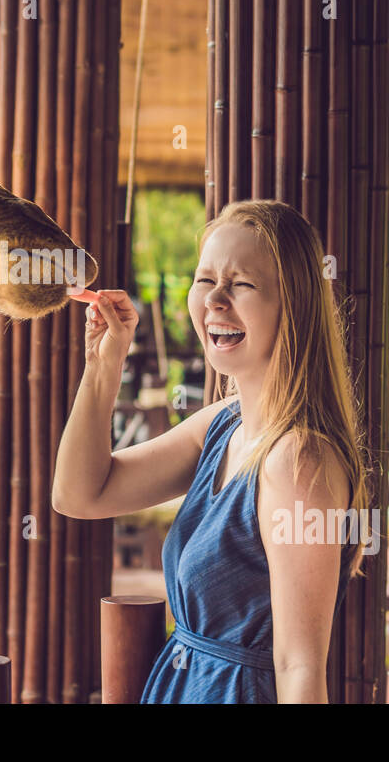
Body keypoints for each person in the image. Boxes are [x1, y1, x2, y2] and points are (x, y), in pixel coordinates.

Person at [52, 199, 371, 703]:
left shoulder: (297, 460)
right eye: (205, 281)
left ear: (294, 304)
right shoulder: (222, 427)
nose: (215, 301)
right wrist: (103, 365)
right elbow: (79, 495)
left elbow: (298, 666)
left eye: (241, 284)